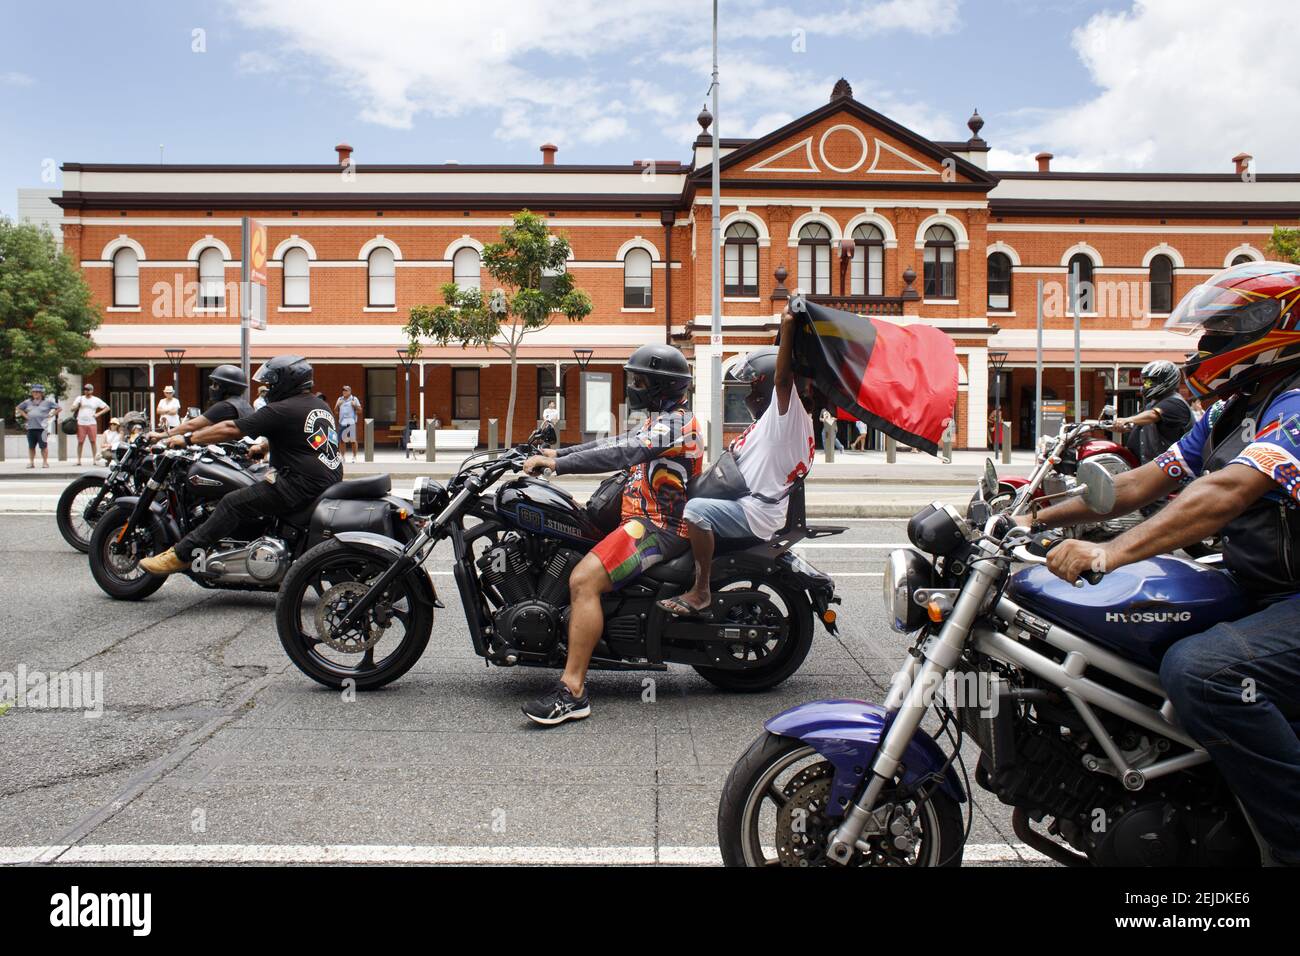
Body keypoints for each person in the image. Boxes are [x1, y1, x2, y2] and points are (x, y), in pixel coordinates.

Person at [1023, 260, 1300, 866]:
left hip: (1292, 598)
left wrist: (1110, 550)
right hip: (1259, 586)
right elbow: (1139, 483)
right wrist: (1031, 517)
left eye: (1224, 332)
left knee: (1202, 671)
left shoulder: (1296, 403)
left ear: (1275, 328)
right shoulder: (1227, 413)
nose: (1206, 345)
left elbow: (1225, 493)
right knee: (1141, 622)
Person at [517, 344, 701, 725]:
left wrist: (559, 465)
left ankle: (573, 691)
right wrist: (555, 455)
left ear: (660, 386)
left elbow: (622, 453)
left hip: (657, 527)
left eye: (639, 380)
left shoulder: (676, 424)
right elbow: (610, 443)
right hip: (636, 518)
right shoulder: (661, 419)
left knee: (583, 581)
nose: (633, 386)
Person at [656, 307, 814, 618]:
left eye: (756, 387)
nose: (749, 395)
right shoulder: (779, 420)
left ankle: (701, 591)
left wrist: (788, 328)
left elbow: (783, 380)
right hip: (749, 502)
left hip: (753, 512)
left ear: (771, 388)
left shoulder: (787, 417)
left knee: (696, 511)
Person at [139, 356, 343, 575]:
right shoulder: (318, 404)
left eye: (272, 382)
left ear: (286, 381)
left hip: (298, 483)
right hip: (327, 477)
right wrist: (263, 448)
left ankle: (182, 556)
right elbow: (306, 437)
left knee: (232, 503)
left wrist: (187, 439)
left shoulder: (281, 409)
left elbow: (230, 428)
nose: (268, 387)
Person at [146, 364, 264, 457]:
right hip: (243, 456)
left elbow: (192, 424)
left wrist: (160, 435)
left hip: (231, 458)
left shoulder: (225, 406)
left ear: (225, 387)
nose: (212, 388)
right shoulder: (243, 404)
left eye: (215, 384)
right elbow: (210, 428)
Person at [1110, 360, 1193, 465]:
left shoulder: (1175, 402)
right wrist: (1123, 426)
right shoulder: (1152, 404)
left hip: (1170, 467)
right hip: (1150, 464)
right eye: (1145, 381)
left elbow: (1153, 415)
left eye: (1150, 381)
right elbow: (1139, 421)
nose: (1146, 385)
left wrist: (1127, 420)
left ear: (1166, 380)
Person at [15, 383, 57, 469]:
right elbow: (18, 408)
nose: (36, 393)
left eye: (38, 392)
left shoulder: (47, 402)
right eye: (34, 392)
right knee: (31, 446)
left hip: (43, 429)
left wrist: (51, 415)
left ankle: (45, 462)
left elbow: (59, 408)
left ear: (41, 393)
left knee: (44, 446)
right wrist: (25, 415)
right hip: (31, 428)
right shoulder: (27, 402)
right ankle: (31, 462)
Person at [68, 383, 109, 466]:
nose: (86, 391)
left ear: (92, 391)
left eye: (88, 390)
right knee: (80, 441)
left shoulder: (96, 400)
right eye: (85, 389)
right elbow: (72, 409)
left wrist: (98, 414)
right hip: (81, 422)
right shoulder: (80, 398)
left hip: (91, 422)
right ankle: (79, 460)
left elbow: (107, 408)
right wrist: (78, 405)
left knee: (93, 441)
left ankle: (94, 460)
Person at [335, 385, 361, 463]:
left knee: (353, 440)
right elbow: (335, 411)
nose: (344, 392)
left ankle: (354, 457)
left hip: (351, 422)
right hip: (342, 422)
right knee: (342, 441)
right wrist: (338, 405)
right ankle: (342, 457)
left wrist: (355, 405)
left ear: (350, 391)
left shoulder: (354, 399)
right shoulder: (340, 399)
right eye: (343, 390)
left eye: (346, 390)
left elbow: (360, 410)